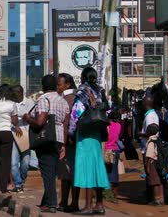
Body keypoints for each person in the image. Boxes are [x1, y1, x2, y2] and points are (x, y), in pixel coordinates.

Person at [23, 75, 69, 213]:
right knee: (51, 170)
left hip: (46, 138)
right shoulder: (63, 101)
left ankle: (51, 204)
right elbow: (66, 123)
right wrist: (64, 144)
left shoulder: (44, 99)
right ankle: (46, 201)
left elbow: (40, 121)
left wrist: (28, 118)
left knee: (47, 172)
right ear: (56, 85)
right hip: (59, 138)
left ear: (43, 86)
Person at [71, 67, 110, 215]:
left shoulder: (82, 91)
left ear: (83, 77)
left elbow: (76, 113)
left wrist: (70, 132)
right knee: (97, 165)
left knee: (86, 167)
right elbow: (108, 108)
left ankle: (88, 205)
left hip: (85, 132)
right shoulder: (100, 91)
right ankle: (99, 204)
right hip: (97, 132)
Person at [57, 73, 80, 213]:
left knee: (67, 174)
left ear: (67, 85)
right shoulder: (75, 98)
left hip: (68, 141)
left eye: (59, 84)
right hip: (76, 141)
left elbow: (65, 123)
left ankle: (68, 202)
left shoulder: (67, 99)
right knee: (71, 174)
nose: (57, 87)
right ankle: (70, 202)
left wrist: (63, 144)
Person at [9, 85, 35, 193]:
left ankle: (21, 181)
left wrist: (26, 118)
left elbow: (33, 118)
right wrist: (15, 125)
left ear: (21, 92)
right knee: (13, 163)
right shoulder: (11, 104)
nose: (14, 95)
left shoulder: (29, 103)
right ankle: (18, 184)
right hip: (14, 135)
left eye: (15, 93)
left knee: (25, 162)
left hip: (26, 136)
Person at [144, 124, 164, 206]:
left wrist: (148, 166)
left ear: (149, 132)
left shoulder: (151, 141)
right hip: (159, 163)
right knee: (160, 182)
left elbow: (149, 155)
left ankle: (156, 200)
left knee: (154, 182)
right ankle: (162, 199)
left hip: (153, 164)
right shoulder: (158, 139)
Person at [105, 110, 123, 201]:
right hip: (115, 151)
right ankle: (115, 195)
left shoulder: (107, 125)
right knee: (114, 174)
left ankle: (106, 194)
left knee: (105, 173)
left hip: (106, 151)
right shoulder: (119, 126)